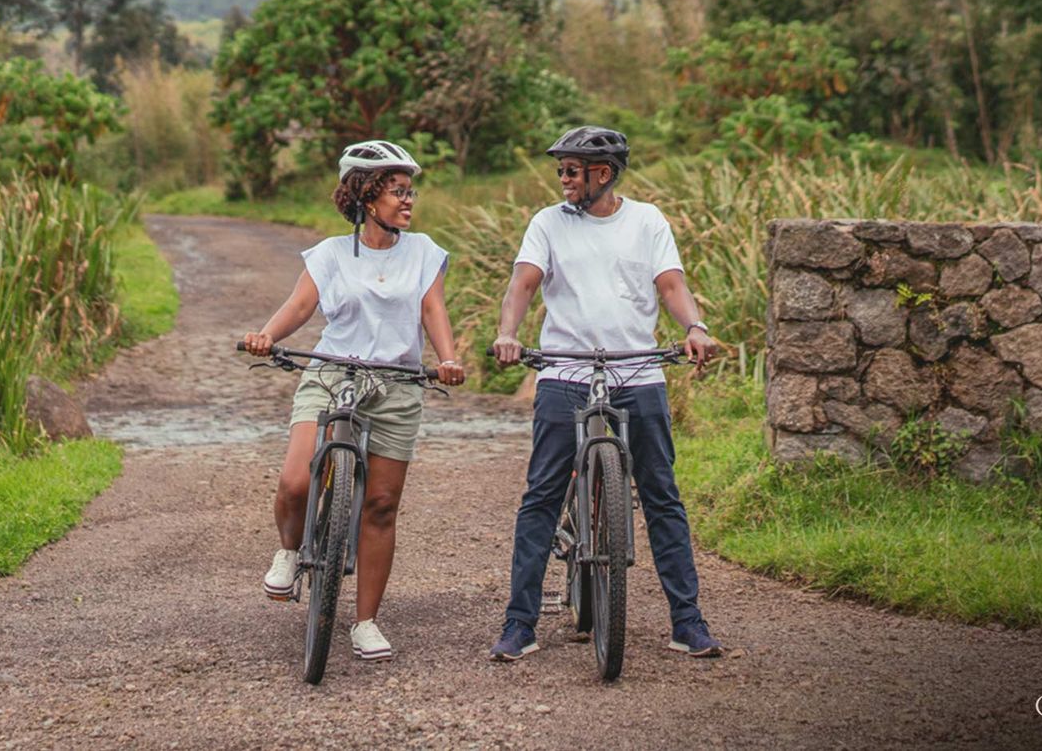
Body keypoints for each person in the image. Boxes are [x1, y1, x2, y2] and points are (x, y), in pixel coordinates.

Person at [488, 125, 723, 661]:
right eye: (562, 170)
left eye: (572, 170)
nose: (563, 179)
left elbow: (671, 285)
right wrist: (509, 334)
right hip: (564, 371)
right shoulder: (547, 223)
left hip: (637, 371)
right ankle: (519, 624)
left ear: (604, 174)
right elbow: (523, 282)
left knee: (662, 494)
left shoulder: (647, 220)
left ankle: (688, 623)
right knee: (542, 495)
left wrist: (695, 328)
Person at [241, 139, 465, 663]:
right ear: (366, 196)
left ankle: (365, 621)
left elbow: (432, 309)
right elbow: (301, 305)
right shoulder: (330, 254)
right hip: (332, 373)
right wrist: (267, 335)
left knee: (382, 506)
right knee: (296, 481)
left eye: (411, 191)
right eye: (397, 192)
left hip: (398, 382)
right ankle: (290, 550)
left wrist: (448, 358)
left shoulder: (425, 251)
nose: (408, 201)